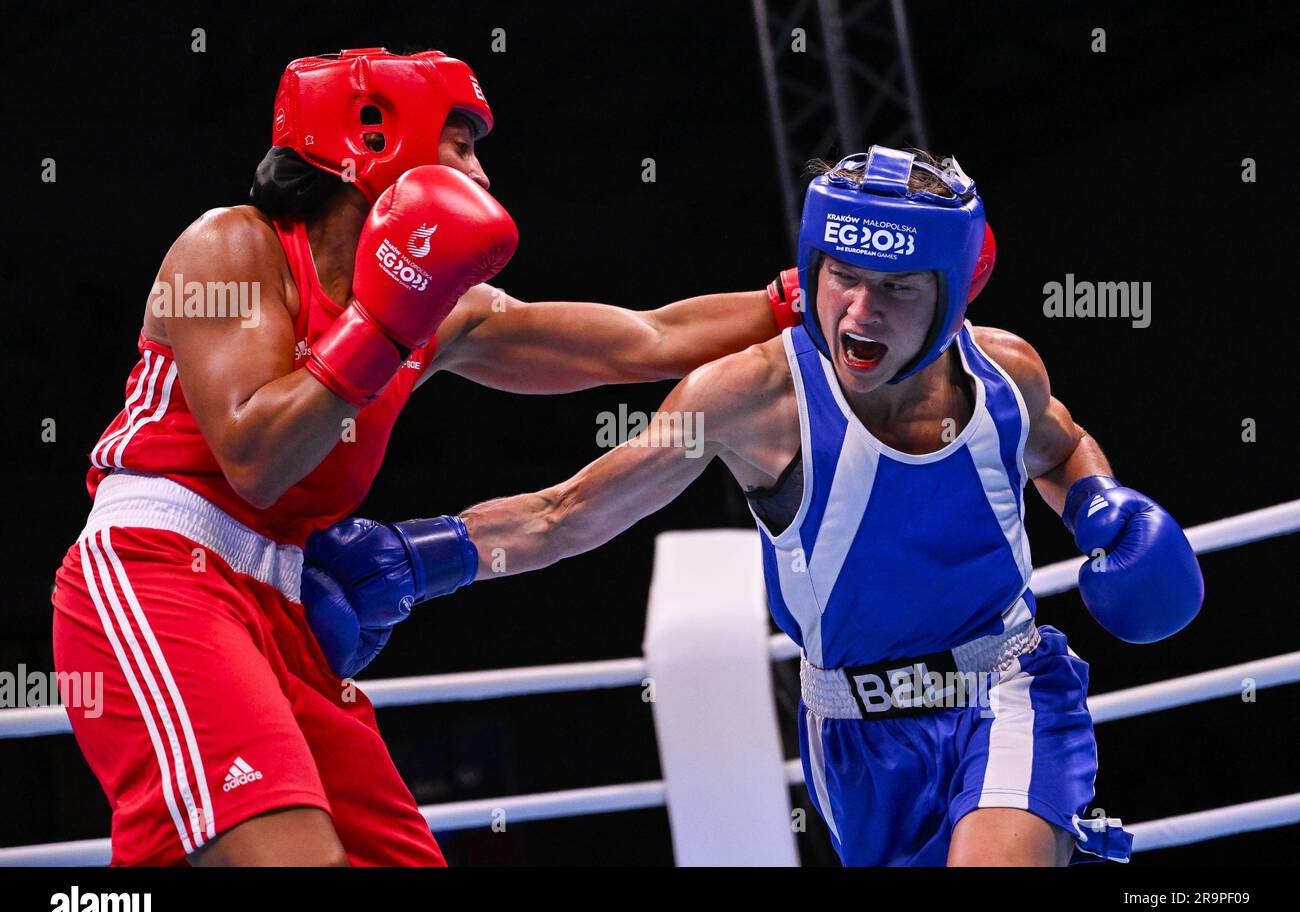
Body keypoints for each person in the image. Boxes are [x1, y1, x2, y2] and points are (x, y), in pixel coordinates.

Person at [304, 146, 1204, 866]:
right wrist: (422, 558)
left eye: (896, 288)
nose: (858, 310)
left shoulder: (1006, 372)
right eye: (842, 275)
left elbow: (1062, 448)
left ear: (948, 295)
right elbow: (566, 513)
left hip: (1004, 689)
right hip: (852, 740)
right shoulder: (749, 399)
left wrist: (1100, 508)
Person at [50, 46, 824, 867]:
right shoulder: (232, 249)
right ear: (374, 137)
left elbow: (647, 338)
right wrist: (384, 322)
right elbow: (255, 455)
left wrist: (803, 300)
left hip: (281, 603)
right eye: (460, 145)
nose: (482, 176)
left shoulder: (444, 312)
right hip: (156, 571)